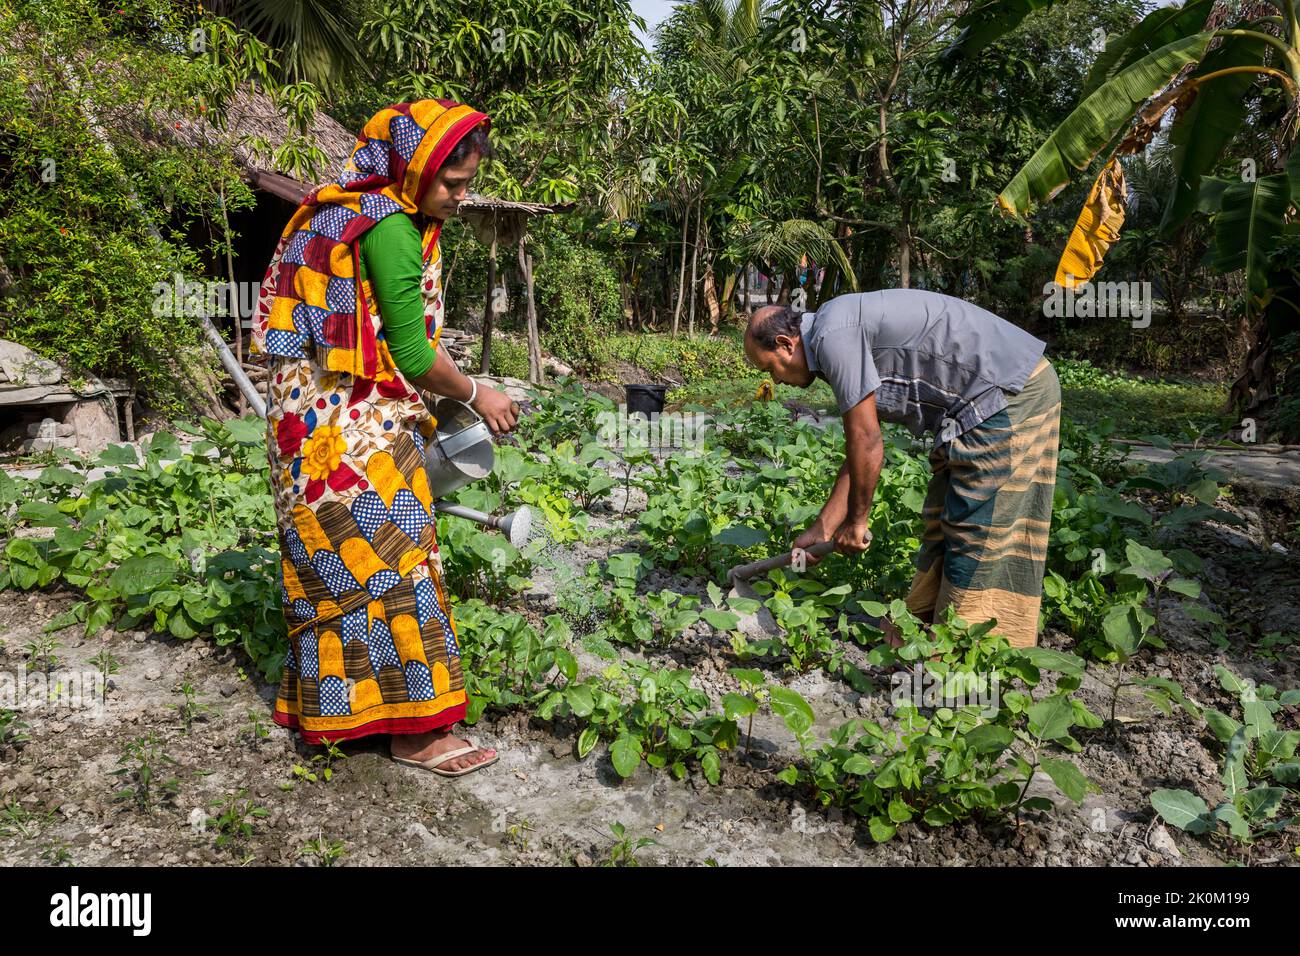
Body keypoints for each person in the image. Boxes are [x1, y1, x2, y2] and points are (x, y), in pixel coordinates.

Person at [250, 99, 517, 776]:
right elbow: (413, 352)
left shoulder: (334, 210)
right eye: (452, 184)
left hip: (302, 431)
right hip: (354, 434)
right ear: (415, 167)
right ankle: (417, 734)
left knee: (333, 573)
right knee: (399, 560)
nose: (461, 197)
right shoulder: (390, 227)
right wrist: (477, 393)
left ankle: (341, 716)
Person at [743, 289, 1060, 649]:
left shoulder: (833, 336)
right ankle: (922, 631)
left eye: (770, 368)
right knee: (942, 519)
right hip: (976, 404)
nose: (777, 380)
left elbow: (867, 442)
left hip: (1010, 393)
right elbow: (860, 449)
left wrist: (857, 524)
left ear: (786, 343)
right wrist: (825, 526)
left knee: (979, 529)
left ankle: (971, 652)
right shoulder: (834, 333)